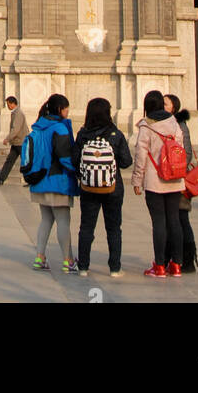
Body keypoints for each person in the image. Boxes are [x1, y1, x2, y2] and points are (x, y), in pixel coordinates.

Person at [71, 97, 132, 278]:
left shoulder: (83, 135)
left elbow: (75, 160)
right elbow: (127, 161)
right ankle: (115, 267)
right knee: (113, 228)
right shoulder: (116, 134)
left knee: (86, 227)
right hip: (112, 187)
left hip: (89, 188)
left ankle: (83, 266)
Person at [131, 88, 185, 277]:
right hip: (175, 178)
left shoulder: (146, 126)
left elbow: (140, 155)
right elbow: (181, 148)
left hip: (155, 180)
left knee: (159, 223)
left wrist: (137, 180)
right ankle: (177, 264)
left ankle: (160, 265)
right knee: (174, 221)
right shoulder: (174, 123)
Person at [27, 93, 80, 273]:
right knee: (63, 220)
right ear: (60, 109)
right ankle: (68, 260)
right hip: (58, 181)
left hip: (39, 180)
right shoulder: (59, 128)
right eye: (66, 109)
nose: (67, 112)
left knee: (46, 220)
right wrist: (78, 170)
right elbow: (65, 157)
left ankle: (40, 257)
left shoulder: (38, 127)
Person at [165, 92, 198, 273]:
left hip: (180, 180)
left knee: (182, 218)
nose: (163, 107)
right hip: (169, 179)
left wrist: (174, 171)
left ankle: (188, 259)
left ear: (174, 107)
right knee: (172, 219)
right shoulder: (164, 125)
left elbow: (186, 154)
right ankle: (172, 257)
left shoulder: (180, 126)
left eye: (166, 104)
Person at [0, 96, 27, 185]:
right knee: (10, 160)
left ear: (12, 104)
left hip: (21, 142)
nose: (7, 106)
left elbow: (16, 129)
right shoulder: (15, 113)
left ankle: (32, 180)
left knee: (26, 162)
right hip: (17, 142)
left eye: (8, 104)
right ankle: (1, 178)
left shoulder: (18, 113)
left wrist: (7, 139)